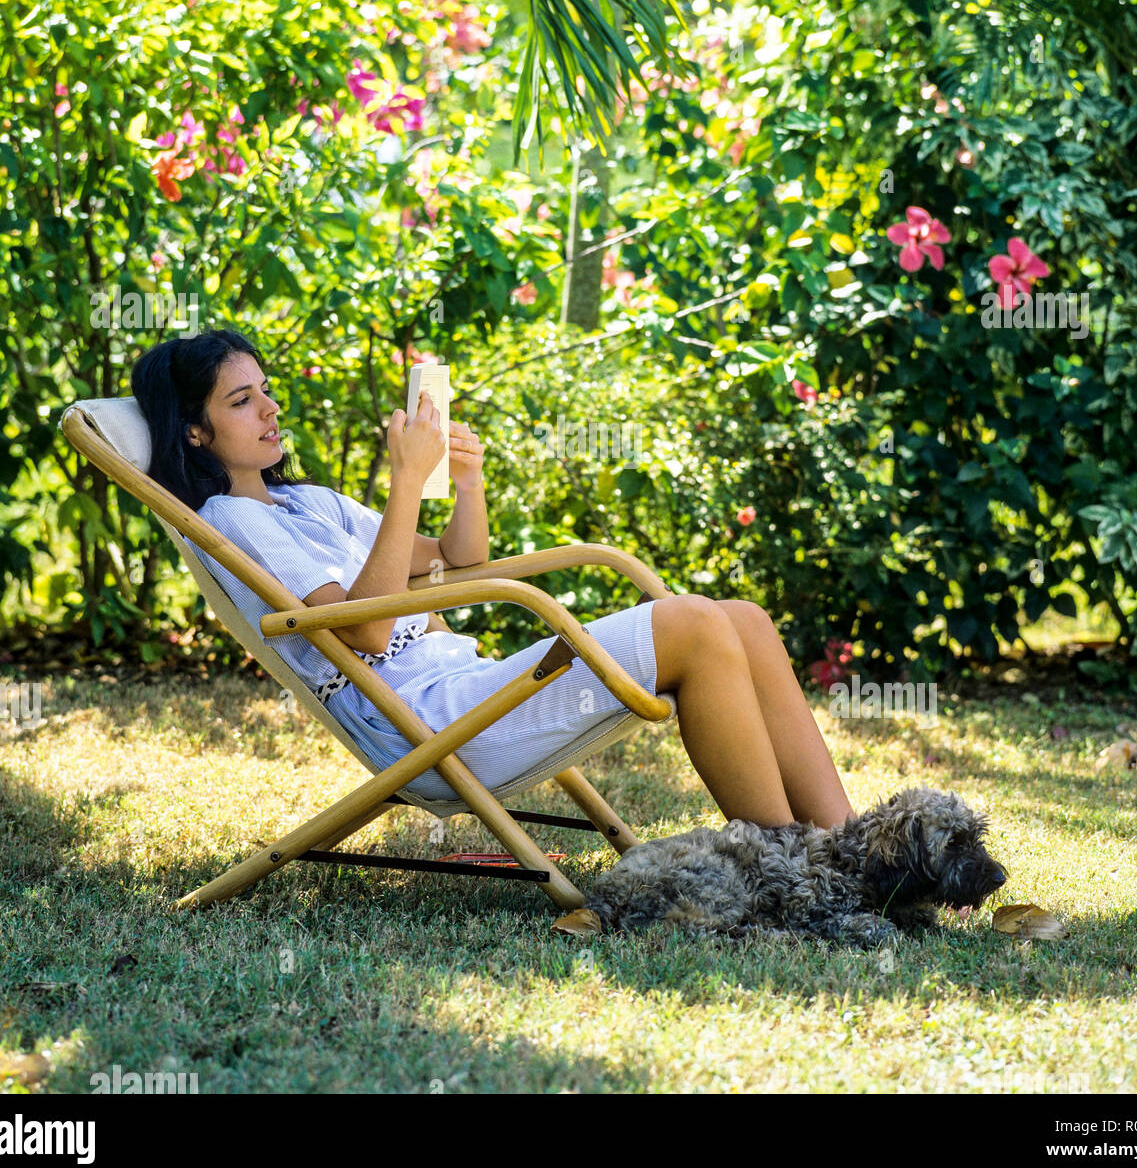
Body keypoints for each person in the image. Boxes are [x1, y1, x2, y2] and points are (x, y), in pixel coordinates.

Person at [131, 329, 855, 825]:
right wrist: (405, 481)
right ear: (194, 431)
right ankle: (784, 873)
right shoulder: (233, 521)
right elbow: (366, 629)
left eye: (264, 390)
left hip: (467, 694)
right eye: (240, 401)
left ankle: (849, 847)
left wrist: (465, 482)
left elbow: (456, 560)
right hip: (425, 726)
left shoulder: (305, 502)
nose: (269, 408)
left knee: (744, 618)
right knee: (695, 624)